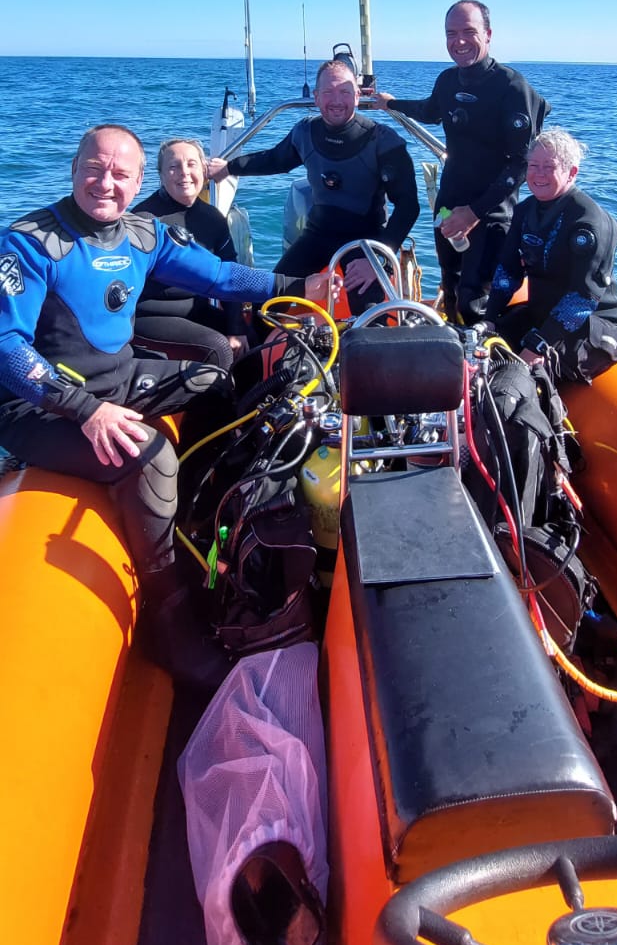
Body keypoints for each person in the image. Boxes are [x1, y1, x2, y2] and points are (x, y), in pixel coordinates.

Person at [0, 124, 331, 690]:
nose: (106, 183)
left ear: (136, 182)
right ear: (74, 170)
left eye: (120, 174)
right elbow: (8, 347)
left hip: (116, 378)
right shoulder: (31, 242)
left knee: (214, 380)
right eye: (94, 169)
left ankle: (202, 515)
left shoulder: (142, 235)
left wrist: (303, 283)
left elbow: (223, 276)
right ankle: (168, 616)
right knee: (150, 454)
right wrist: (85, 410)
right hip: (42, 407)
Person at [372, 0, 549, 324]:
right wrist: (390, 103)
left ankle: (484, 365)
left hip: (489, 213)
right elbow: (429, 111)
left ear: (489, 34)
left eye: (469, 31)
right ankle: (453, 363)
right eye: (451, 33)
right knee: (450, 289)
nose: (459, 41)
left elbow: (521, 165)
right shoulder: (448, 80)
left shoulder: (511, 87)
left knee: (473, 302)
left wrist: (475, 212)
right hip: (447, 206)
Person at [207, 57, 420, 311]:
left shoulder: (383, 141)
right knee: (266, 306)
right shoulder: (305, 132)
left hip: (365, 242)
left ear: (357, 96)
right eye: (328, 92)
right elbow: (275, 160)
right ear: (316, 97)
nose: (337, 100)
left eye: (344, 91)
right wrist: (228, 168)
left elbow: (408, 206)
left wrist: (379, 257)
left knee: (372, 318)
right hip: (317, 235)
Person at [484, 127, 617, 382]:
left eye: (548, 167)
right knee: (480, 348)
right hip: (542, 314)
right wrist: (489, 319)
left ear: (571, 172)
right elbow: (508, 271)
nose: (538, 174)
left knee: (522, 376)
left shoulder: (589, 222)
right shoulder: (525, 211)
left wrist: (539, 344)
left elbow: (582, 299)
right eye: (533, 165)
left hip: (592, 325)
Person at [133, 137, 249, 370]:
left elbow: (231, 275)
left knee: (253, 334)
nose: (184, 173)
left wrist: (236, 329)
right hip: (147, 315)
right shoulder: (145, 220)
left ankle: (253, 403)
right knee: (217, 347)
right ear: (162, 175)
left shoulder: (212, 218)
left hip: (195, 309)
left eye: (191, 164)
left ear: (204, 170)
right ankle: (216, 405)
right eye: (173, 166)